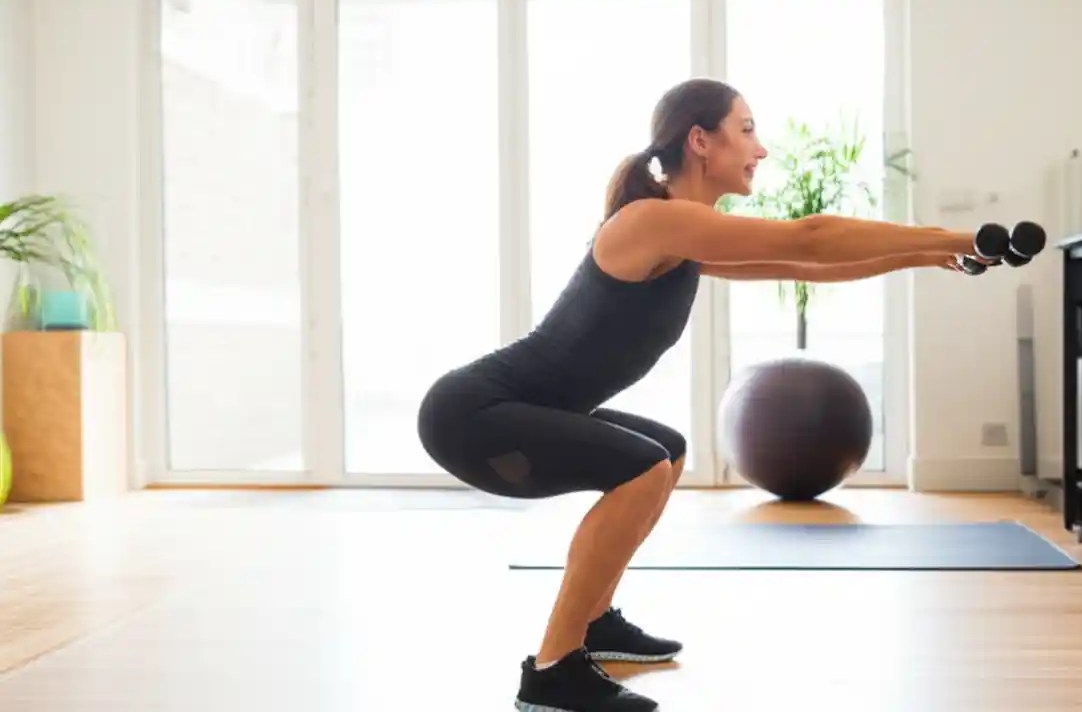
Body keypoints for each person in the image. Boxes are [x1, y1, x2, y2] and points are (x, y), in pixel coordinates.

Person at [418, 78, 999, 712]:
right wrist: (951, 237)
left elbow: (805, 264)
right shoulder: (651, 221)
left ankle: (595, 622)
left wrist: (927, 257)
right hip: (473, 417)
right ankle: (552, 672)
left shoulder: (683, 233)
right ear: (701, 140)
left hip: (508, 411)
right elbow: (808, 237)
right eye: (746, 129)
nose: (761, 149)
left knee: (663, 450)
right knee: (639, 465)